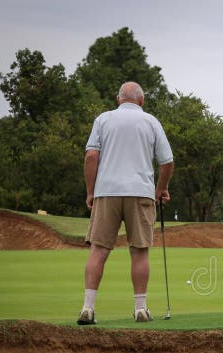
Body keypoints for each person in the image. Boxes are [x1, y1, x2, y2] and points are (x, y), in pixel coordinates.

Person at [77, 81, 174, 325]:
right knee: (139, 251)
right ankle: (140, 309)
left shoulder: (103, 119)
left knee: (99, 249)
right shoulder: (151, 121)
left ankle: (87, 309)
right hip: (140, 192)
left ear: (118, 99)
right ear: (141, 101)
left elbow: (91, 156)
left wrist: (90, 191)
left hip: (107, 191)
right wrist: (161, 188)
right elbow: (167, 162)